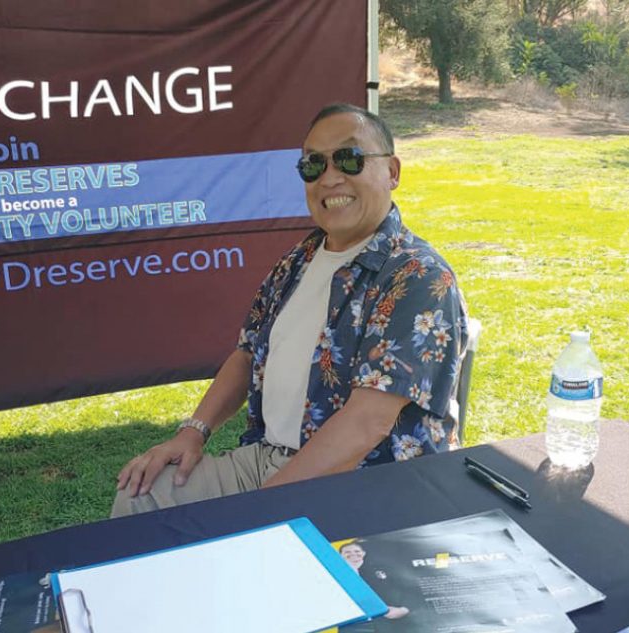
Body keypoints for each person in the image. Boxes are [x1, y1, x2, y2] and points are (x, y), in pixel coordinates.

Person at [113, 103, 468, 517]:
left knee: (243, 548)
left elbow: (368, 424)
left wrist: (265, 508)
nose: (330, 177)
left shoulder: (416, 275)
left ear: (392, 172)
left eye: (349, 159)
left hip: (365, 481)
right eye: (313, 164)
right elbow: (246, 355)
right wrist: (193, 432)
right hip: (268, 460)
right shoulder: (298, 260)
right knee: (143, 495)